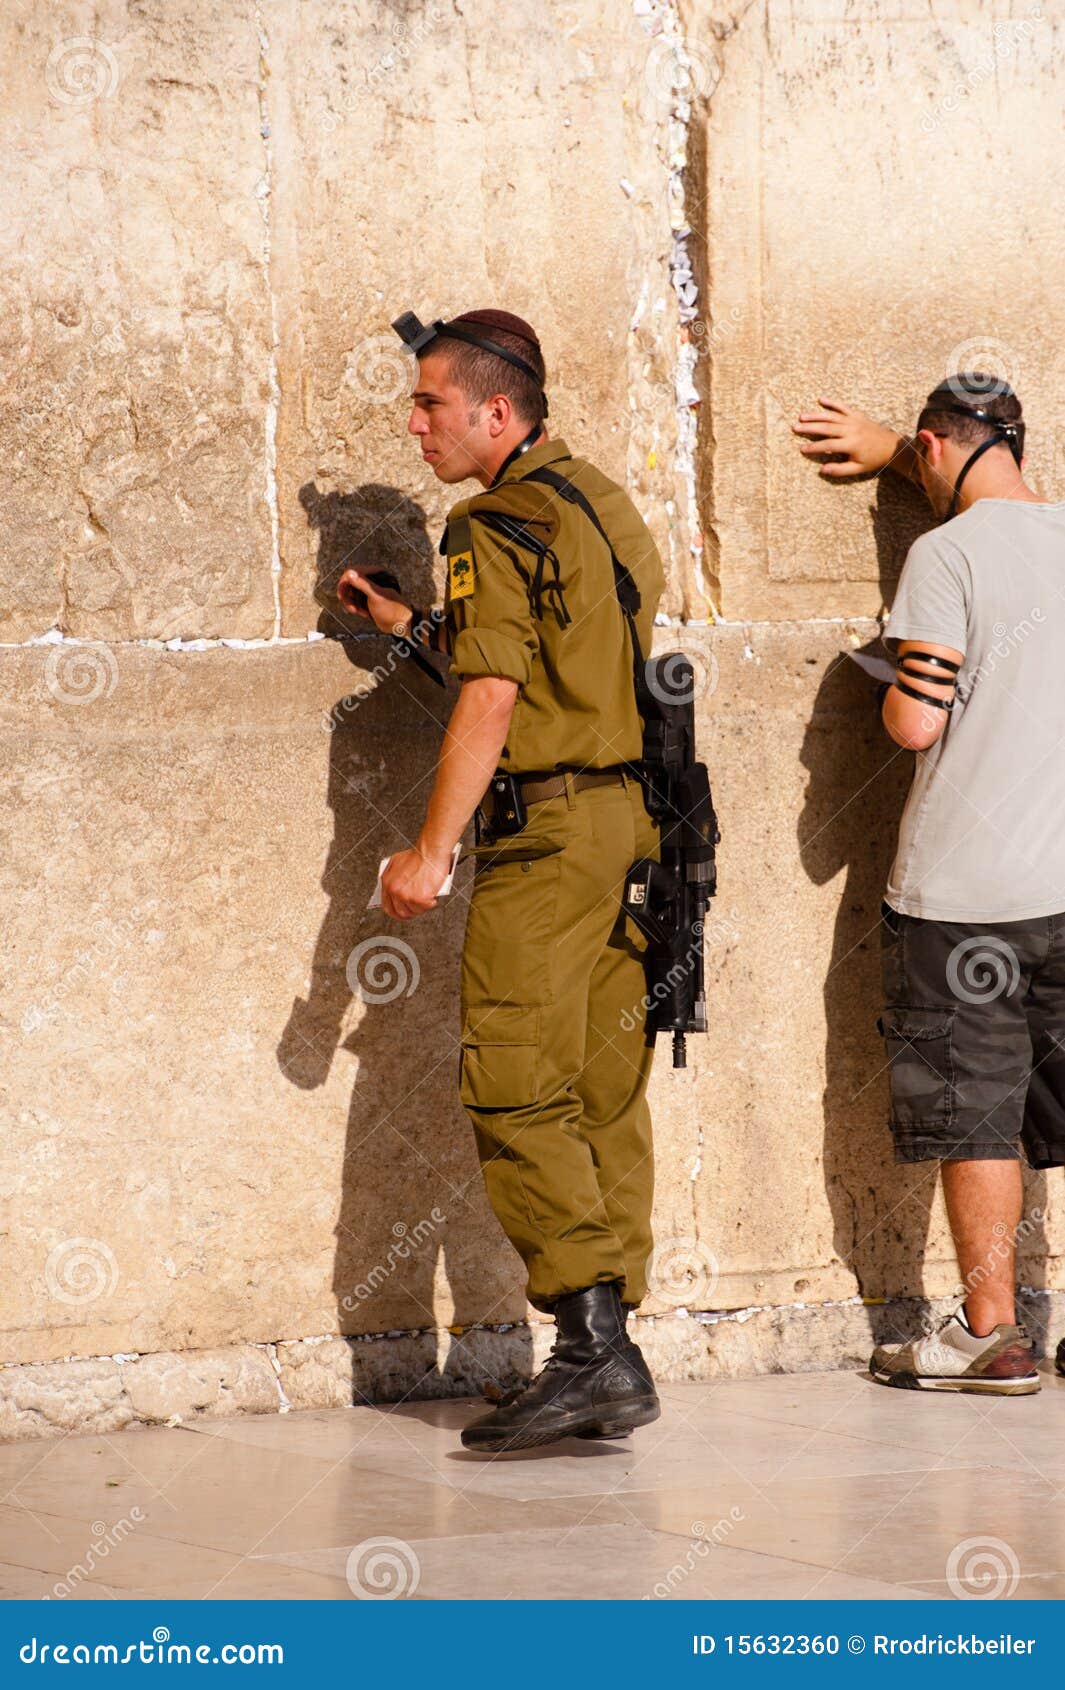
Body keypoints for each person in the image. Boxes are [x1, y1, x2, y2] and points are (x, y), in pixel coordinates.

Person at [337, 309, 665, 1450]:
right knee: (598, 1084)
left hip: (546, 836)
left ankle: (591, 1352)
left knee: (516, 1082)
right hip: (628, 831)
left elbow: (495, 695)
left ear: (496, 411)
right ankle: (610, 1333)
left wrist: (428, 852)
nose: (414, 422)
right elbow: (547, 659)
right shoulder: (599, 506)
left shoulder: (491, 519)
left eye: (431, 403)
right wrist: (411, 625)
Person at [794, 375, 1065, 1395]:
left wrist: (886, 675)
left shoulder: (942, 554)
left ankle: (993, 1333)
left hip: (968, 895)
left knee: (977, 1111)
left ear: (932, 446)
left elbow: (916, 720)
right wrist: (897, 451)